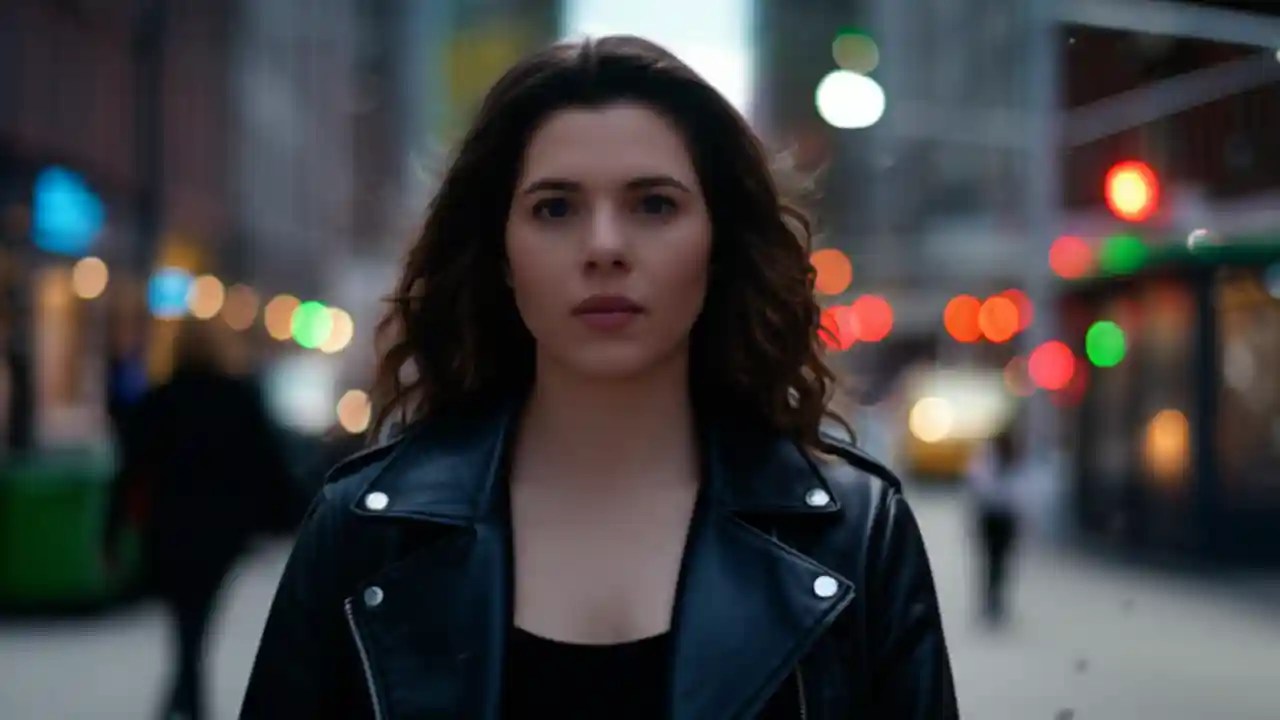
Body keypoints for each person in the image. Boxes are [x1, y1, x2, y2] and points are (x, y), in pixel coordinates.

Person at [242, 35, 956, 719]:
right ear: (500, 253)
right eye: (556, 209)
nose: (605, 247)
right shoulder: (363, 533)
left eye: (654, 205)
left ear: (719, 245)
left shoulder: (857, 536)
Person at [105, 319, 297, 720]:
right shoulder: (238, 398)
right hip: (222, 534)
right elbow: (267, 464)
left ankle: (183, 702)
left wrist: (111, 533)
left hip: (169, 529)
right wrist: (287, 517)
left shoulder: (160, 400)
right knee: (196, 621)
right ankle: (187, 703)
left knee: (186, 622)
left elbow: (130, 470)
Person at [965, 423, 1026, 626]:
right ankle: (991, 601)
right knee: (993, 562)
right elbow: (980, 485)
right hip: (993, 517)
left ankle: (995, 601)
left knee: (998, 562)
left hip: (1002, 518)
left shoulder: (1013, 462)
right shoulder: (988, 460)